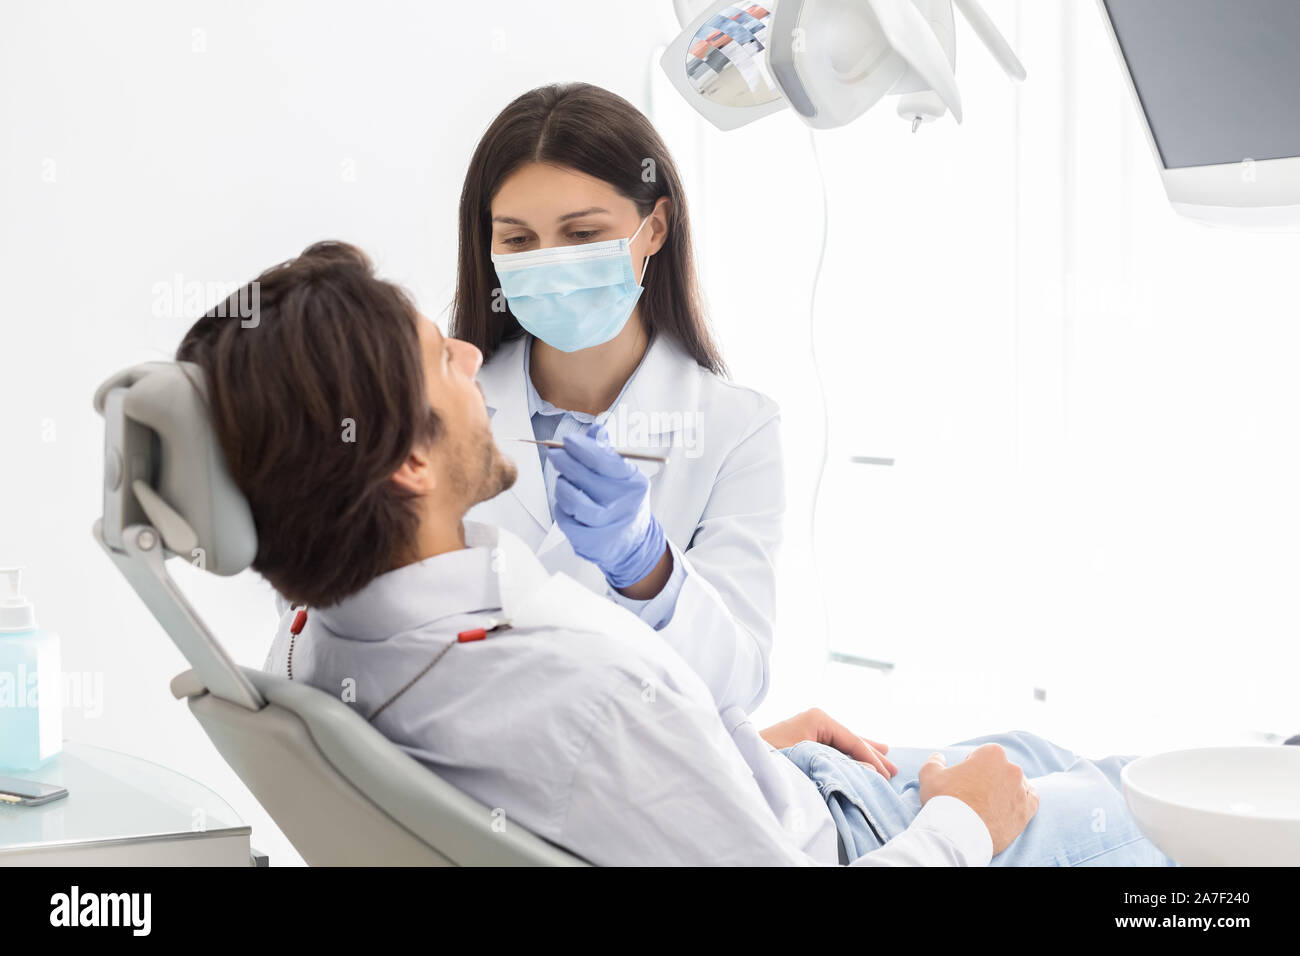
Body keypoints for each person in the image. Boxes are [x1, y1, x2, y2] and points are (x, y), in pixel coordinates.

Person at [176, 241, 1172, 866]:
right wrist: (964, 828)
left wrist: (714, 751)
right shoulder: (583, 700)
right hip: (875, 841)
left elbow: (579, 793)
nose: (475, 357)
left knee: (1070, 755)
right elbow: (592, 738)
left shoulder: (317, 641)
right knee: (1186, 820)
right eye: (445, 357)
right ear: (402, 462)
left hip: (789, 795)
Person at [452, 83, 782, 716]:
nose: (550, 262)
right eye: (518, 241)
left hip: (641, 787)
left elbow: (736, 686)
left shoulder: (736, 429)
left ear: (653, 228)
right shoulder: (438, 407)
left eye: (582, 234)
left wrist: (646, 567)